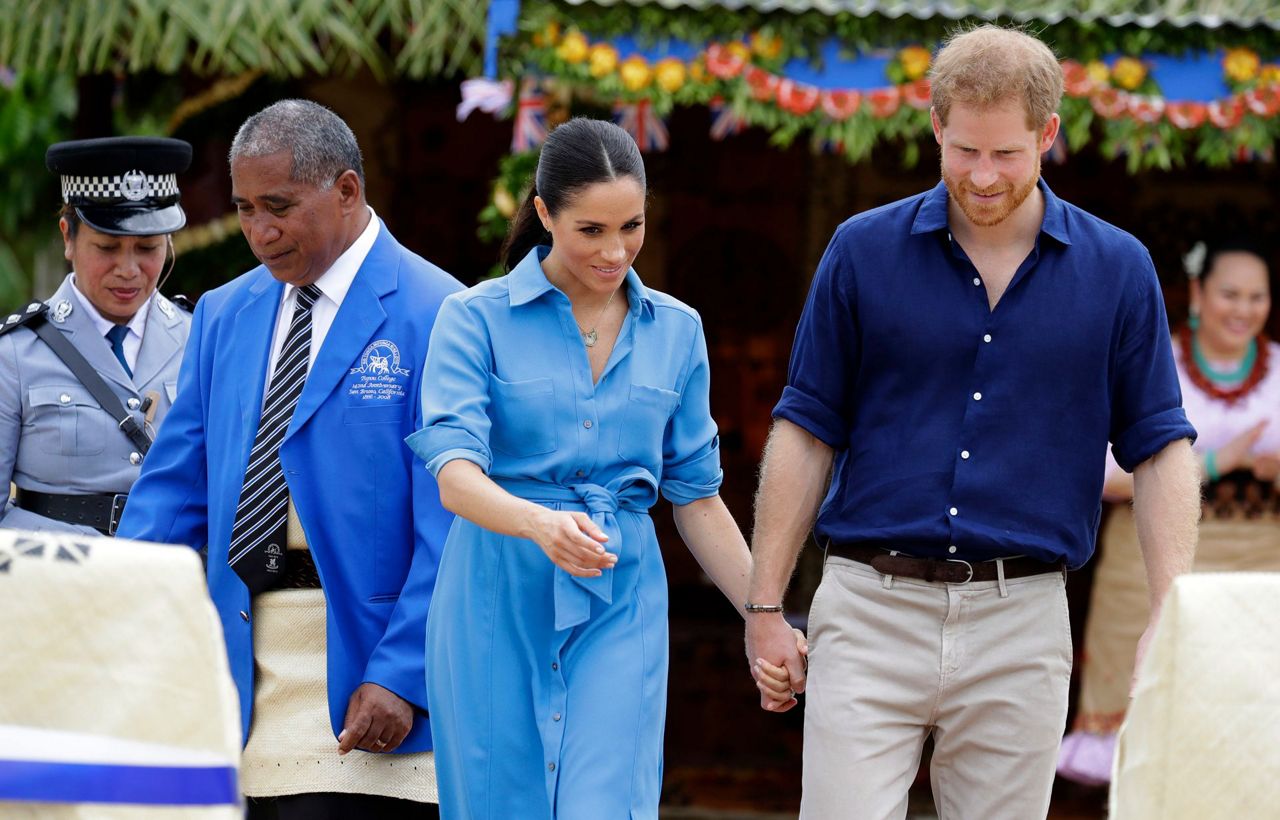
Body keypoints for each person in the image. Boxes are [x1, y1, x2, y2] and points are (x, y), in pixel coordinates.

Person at [743, 25, 1202, 820]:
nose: (982, 177)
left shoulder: (1118, 269)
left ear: (1047, 134)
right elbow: (806, 430)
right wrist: (764, 606)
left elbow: (1160, 449)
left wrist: (1172, 613)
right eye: (963, 152)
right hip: (869, 606)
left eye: (1006, 155)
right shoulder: (861, 252)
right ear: (935, 128)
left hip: (1021, 620)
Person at [406, 117, 804, 819]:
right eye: (591, 230)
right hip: (495, 592)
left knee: (607, 804)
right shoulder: (473, 318)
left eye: (633, 226)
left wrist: (763, 615)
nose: (615, 251)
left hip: (622, 595)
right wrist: (539, 524)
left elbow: (698, 498)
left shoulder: (677, 330)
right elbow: (454, 475)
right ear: (542, 214)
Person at [116, 100, 461, 819]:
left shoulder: (441, 312)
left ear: (345, 191)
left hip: (373, 690)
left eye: (278, 206)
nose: (258, 232)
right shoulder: (225, 311)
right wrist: (118, 618)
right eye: (243, 209)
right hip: (238, 681)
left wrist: (403, 673)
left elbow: (455, 524)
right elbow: (172, 494)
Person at [1059, 239, 1280, 784]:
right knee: (1148, 746)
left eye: (1257, 297)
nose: (1243, 309)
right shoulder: (1153, 364)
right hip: (1149, 565)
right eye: (1230, 293)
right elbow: (1099, 473)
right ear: (1199, 295)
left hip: (1257, 569)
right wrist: (1215, 460)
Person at [0, 137, 193, 535]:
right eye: (107, 247)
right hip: (59, 581)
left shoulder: (199, 339)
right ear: (67, 237)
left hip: (173, 582)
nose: (128, 269)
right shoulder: (15, 354)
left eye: (147, 247)